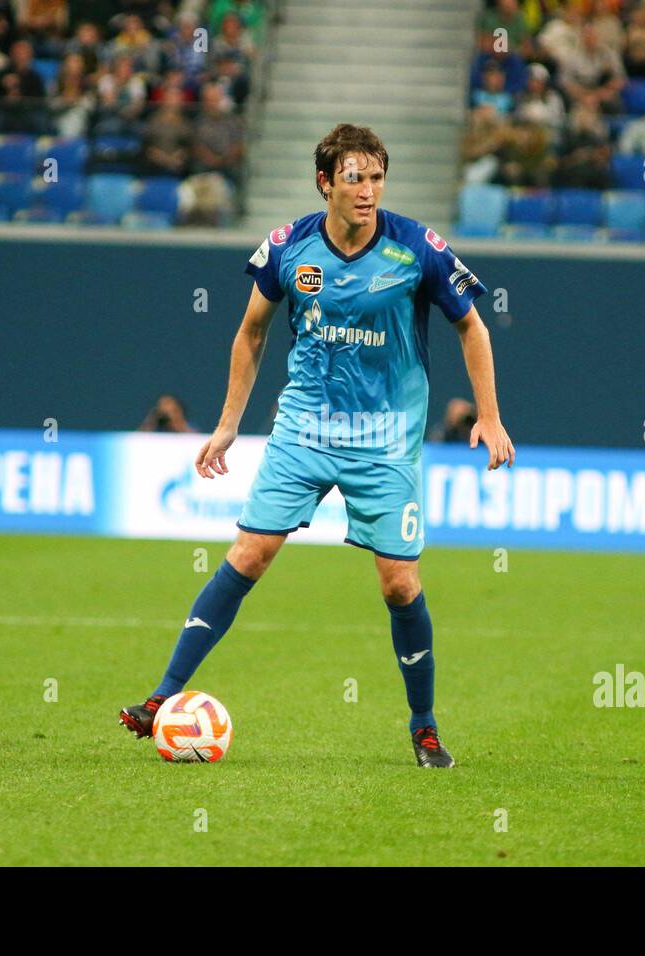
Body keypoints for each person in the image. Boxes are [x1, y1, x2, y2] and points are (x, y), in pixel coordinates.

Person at [119, 124, 515, 769]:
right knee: (249, 555)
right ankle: (162, 698)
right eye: (354, 177)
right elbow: (251, 333)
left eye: (377, 176)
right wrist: (227, 424)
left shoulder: (418, 249)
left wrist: (490, 417)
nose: (368, 190)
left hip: (385, 441)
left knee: (398, 583)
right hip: (303, 428)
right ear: (326, 182)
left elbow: (472, 327)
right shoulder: (289, 247)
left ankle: (424, 726)